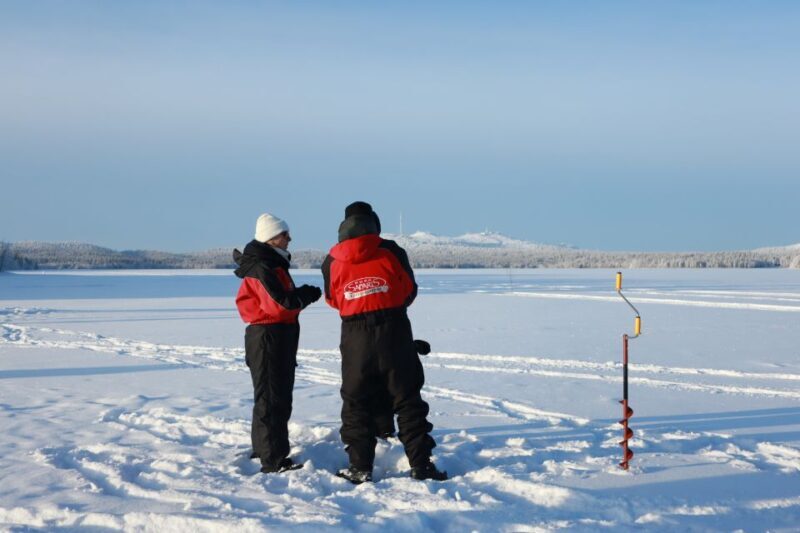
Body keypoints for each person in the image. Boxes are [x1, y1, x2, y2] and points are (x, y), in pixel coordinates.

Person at [322, 201, 447, 483]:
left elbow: (332, 298)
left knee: (356, 402)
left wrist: (358, 300)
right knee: (407, 399)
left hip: (354, 335)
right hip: (394, 329)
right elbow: (409, 289)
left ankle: (360, 467)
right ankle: (421, 465)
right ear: (374, 223)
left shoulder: (331, 259)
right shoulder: (391, 251)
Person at [233, 213, 322, 474]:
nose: (289, 239)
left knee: (268, 396)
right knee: (274, 398)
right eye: (285, 235)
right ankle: (273, 460)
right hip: (269, 337)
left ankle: (264, 448)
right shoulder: (264, 266)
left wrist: (300, 295)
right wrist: (304, 295)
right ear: (271, 238)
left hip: (272, 337)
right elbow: (281, 304)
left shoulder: (270, 264)